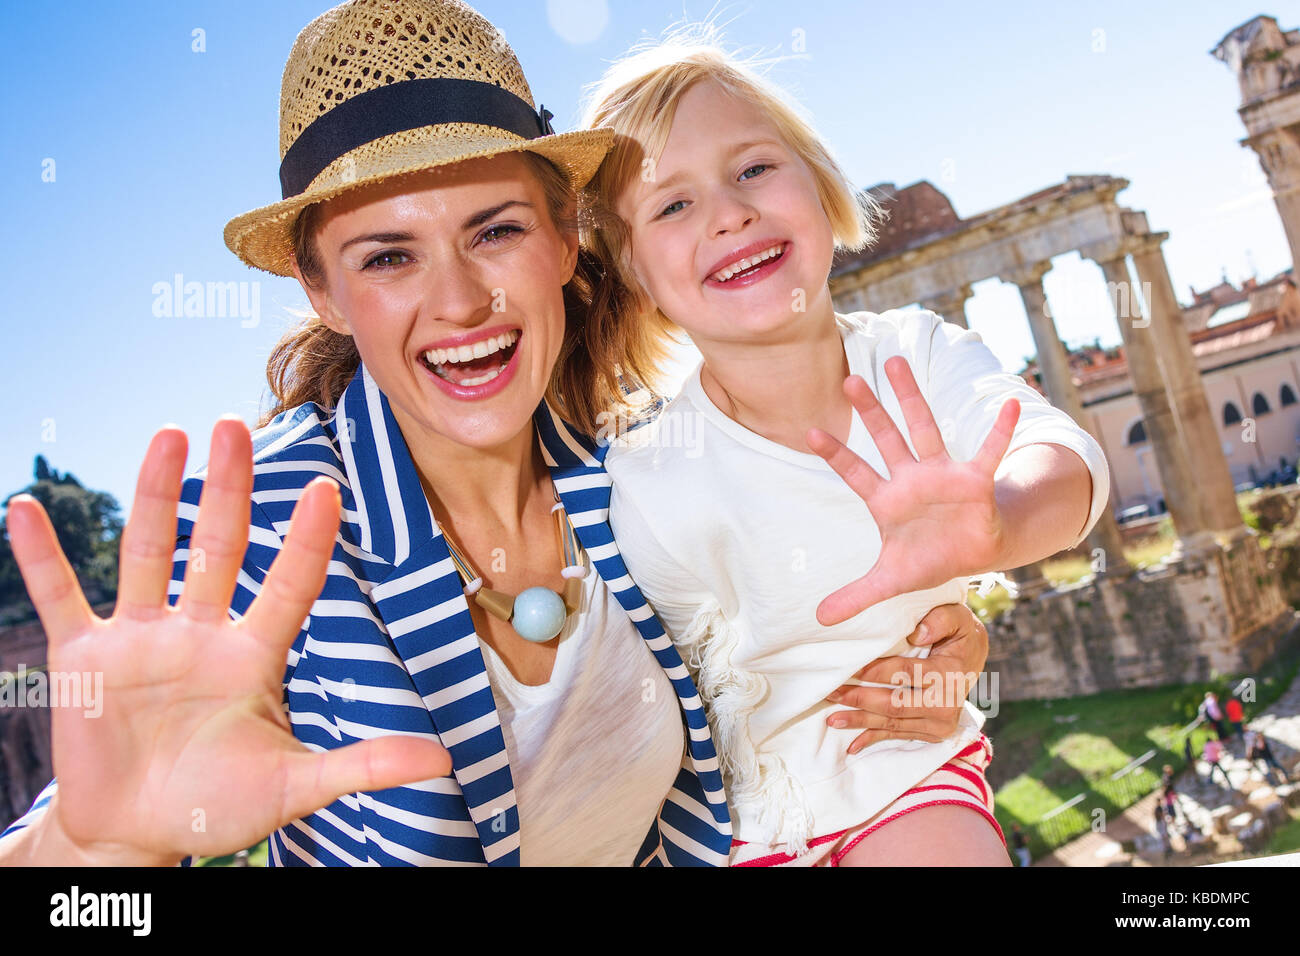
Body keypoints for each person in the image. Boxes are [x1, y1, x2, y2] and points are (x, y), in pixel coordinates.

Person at [0, 0, 988, 867]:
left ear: (564, 237)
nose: (461, 300)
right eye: (388, 255)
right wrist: (89, 851)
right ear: (321, 289)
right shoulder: (268, 520)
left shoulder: (642, 469)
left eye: (496, 229)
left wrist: (931, 655)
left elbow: (784, 642)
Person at [577, 31, 1110, 866]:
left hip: (900, 775)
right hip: (716, 832)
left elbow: (1062, 456)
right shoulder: (641, 475)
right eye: (672, 205)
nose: (728, 212)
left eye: (753, 168)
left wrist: (1002, 525)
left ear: (823, 188)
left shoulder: (920, 353)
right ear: (637, 274)